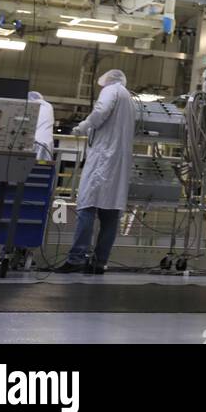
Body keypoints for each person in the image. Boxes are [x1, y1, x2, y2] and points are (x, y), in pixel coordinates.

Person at [56, 69, 136, 275]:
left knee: (86, 208)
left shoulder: (111, 91)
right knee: (110, 215)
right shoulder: (128, 97)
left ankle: (76, 258)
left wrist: (82, 127)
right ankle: (100, 262)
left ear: (107, 81)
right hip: (117, 162)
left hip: (103, 159)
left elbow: (100, 112)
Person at [28, 90, 55, 164]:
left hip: (32, 142)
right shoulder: (49, 106)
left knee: (28, 166)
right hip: (47, 143)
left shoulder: (30, 106)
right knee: (43, 166)